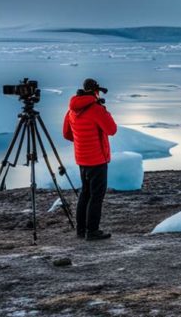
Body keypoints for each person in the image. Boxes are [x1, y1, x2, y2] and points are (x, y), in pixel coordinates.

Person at [62, 78, 117, 241]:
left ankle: (81, 230)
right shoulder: (96, 109)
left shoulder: (71, 110)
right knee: (96, 195)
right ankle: (92, 231)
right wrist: (104, 110)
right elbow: (111, 129)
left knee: (85, 193)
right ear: (95, 91)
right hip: (97, 159)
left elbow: (66, 133)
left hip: (82, 159)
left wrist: (82, 141)